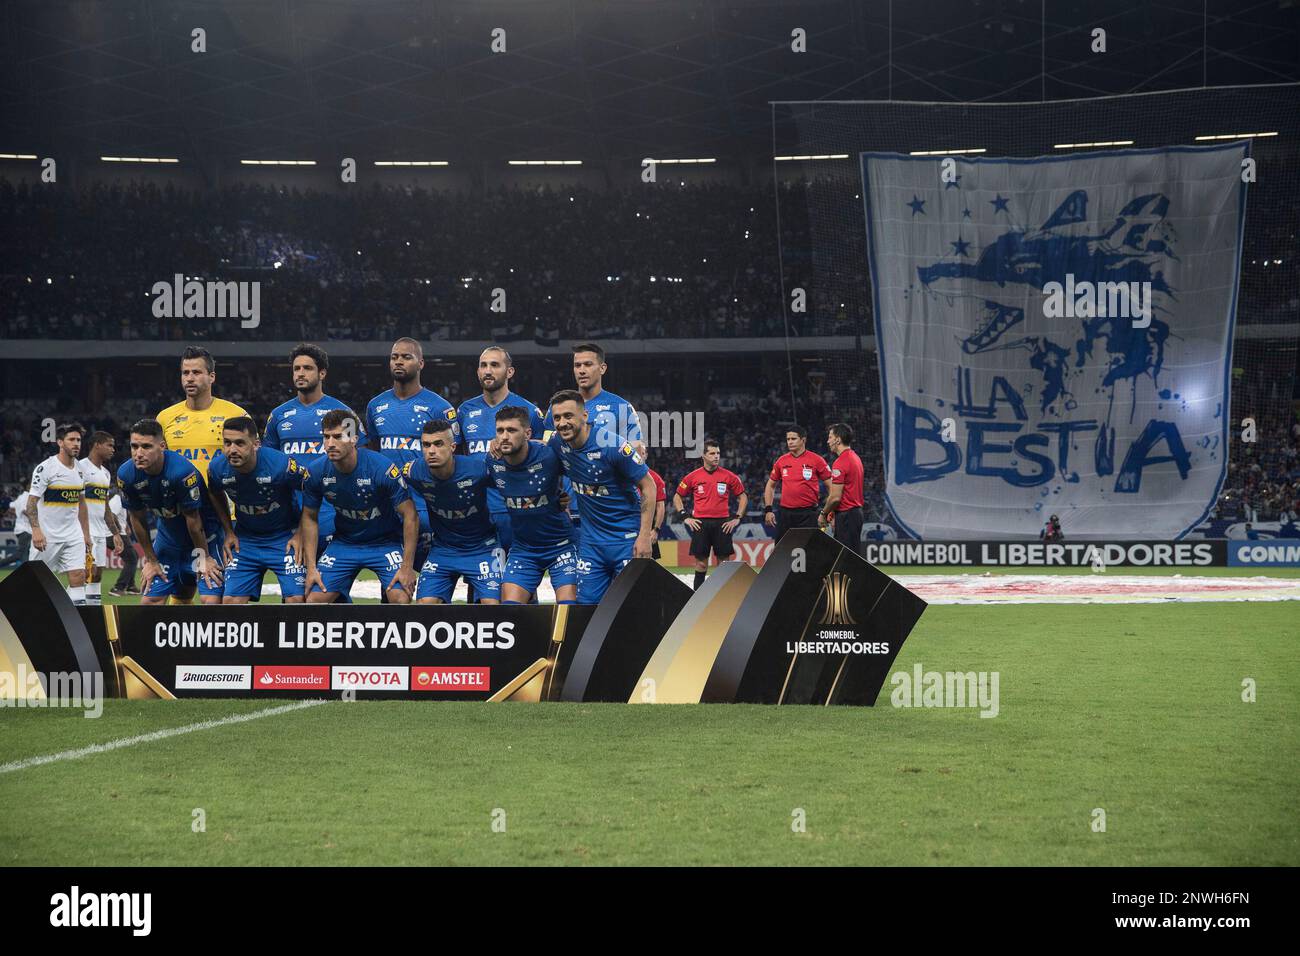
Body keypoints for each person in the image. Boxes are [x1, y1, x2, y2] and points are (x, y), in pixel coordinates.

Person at [547, 390, 657, 605]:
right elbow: (539, 458)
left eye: (568, 416)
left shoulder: (613, 445)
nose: (562, 423)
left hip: (625, 539)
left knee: (631, 607)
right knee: (586, 609)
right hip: (590, 544)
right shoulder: (557, 444)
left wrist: (644, 536)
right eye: (557, 418)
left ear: (585, 416)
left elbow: (649, 486)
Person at [301, 408, 419, 604]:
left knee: (400, 598)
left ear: (354, 439)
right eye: (326, 437)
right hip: (345, 543)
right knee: (314, 600)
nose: (330, 444)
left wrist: (407, 566)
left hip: (384, 543)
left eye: (338, 437)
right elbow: (309, 517)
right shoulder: (315, 472)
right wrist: (312, 568)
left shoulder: (382, 468)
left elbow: (410, 515)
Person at [262, 343, 362, 558]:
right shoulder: (278, 415)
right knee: (295, 583)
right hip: (288, 506)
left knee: (329, 582)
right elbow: (267, 461)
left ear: (322, 373)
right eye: (296, 369)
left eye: (307, 368)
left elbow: (359, 458)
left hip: (330, 504)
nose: (300, 373)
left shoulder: (343, 413)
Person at [365, 337, 459, 561]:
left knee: (429, 575)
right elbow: (373, 452)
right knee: (391, 578)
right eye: (394, 357)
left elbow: (455, 457)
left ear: (421, 364)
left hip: (426, 504)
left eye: (407, 357)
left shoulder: (440, 407)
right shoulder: (375, 406)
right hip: (388, 504)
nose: (399, 361)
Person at [543, 343, 644, 548]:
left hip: (613, 514)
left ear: (602, 368)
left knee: (622, 579)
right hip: (572, 512)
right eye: (577, 365)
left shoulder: (621, 407)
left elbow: (638, 455)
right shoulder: (558, 409)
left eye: (588, 364)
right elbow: (548, 456)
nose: (581, 370)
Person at [116, 419, 225, 605]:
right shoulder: (126, 474)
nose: (138, 453)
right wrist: (150, 560)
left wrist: (204, 557)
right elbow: (136, 517)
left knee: (211, 601)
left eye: (146, 446)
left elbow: (194, 521)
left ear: (162, 446)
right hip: (169, 539)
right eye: (134, 446)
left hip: (205, 538)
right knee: (149, 603)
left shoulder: (181, 472)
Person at [206, 417, 306, 604]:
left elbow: (311, 490)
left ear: (256, 444)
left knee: (297, 600)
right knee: (229, 602)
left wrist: (301, 534)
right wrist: (228, 531)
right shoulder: (217, 468)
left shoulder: (281, 465)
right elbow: (214, 493)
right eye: (227, 443)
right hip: (246, 540)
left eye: (240, 443)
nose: (232, 450)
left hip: (284, 538)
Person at [402, 419, 501, 605]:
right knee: (425, 605)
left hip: (484, 547)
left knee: (493, 606)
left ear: (452, 447)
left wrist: (557, 497)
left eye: (438, 444)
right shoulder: (413, 471)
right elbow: (388, 489)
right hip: (443, 549)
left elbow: (514, 482)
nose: (431, 450)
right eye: (426, 445)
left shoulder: (478, 470)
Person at [458, 346, 544, 554]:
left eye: (495, 365)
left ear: (510, 372)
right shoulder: (464, 411)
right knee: (479, 579)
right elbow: (459, 459)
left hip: (517, 510)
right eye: (483, 365)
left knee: (522, 578)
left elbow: (543, 459)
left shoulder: (529, 412)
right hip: (477, 510)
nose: (488, 370)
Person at [488, 406, 578, 605]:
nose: (504, 436)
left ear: (527, 433)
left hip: (560, 546)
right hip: (524, 549)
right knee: (509, 612)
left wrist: (565, 497)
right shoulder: (493, 462)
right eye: (500, 431)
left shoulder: (549, 456)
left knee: (568, 609)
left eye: (511, 430)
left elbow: (581, 470)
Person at [156, 346, 249, 481]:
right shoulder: (164, 418)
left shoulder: (236, 415)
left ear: (211, 377)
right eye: (185, 373)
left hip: (224, 498)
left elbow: (253, 460)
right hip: (181, 500)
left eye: (196, 372)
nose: (190, 378)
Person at [25, 422, 92, 604]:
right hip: (48, 536)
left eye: (78, 440)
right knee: (36, 583)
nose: (76, 443)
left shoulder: (81, 469)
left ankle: (76, 618)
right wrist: (36, 530)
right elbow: (31, 504)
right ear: (60, 442)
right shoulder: (45, 468)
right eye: (71, 439)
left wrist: (85, 534)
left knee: (79, 575)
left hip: (73, 534)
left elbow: (81, 504)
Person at [674, 438, 747, 589]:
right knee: (701, 564)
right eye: (712, 453)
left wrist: (737, 518)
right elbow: (677, 496)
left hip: (722, 524)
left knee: (724, 564)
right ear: (703, 455)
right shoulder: (692, 477)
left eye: (718, 453)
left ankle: (723, 599)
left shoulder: (729, 476)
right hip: (700, 524)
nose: (716, 456)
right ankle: (697, 600)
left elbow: (743, 496)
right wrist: (684, 516)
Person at [77, 430, 125, 605]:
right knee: (84, 574)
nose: (113, 449)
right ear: (97, 444)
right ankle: (71, 610)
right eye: (109, 445)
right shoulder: (80, 468)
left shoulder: (105, 473)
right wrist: (82, 532)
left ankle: (93, 612)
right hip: (83, 532)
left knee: (97, 574)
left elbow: (105, 507)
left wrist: (116, 533)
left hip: (100, 532)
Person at [764, 426, 832, 542]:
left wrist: (828, 511)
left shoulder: (817, 460)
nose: (790, 442)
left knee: (811, 550)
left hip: (809, 514)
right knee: (782, 552)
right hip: (786, 514)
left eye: (793, 439)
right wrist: (768, 510)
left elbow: (832, 487)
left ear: (803, 440)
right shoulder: (781, 461)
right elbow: (770, 485)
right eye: (788, 439)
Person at [819, 423, 865, 556]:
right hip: (854, 514)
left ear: (838, 439)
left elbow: (835, 497)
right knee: (851, 557)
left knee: (845, 559)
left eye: (830, 437)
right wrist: (834, 514)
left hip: (847, 516)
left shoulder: (841, 462)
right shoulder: (855, 458)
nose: (828, 441)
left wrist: (823, 513)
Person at [107, 487, 139, 595]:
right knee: (132, 559)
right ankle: (118, 588)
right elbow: (111, 514)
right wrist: (118, 530)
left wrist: (126, 526)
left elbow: (119, 516)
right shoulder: (117, 499)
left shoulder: (122, 500)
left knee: (134, 556)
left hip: (118, 534)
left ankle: (131, 586)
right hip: (115, 535)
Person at [9, 488, 31, 569]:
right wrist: (36, 518)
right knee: (21, 555)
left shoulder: (20, 497)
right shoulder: (26, 497)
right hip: (25, 529)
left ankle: (28, 572)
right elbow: (25, 511)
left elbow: (11, 507)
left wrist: (18, 515)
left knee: (26, 554)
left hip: (21, 529)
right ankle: (27, 572)